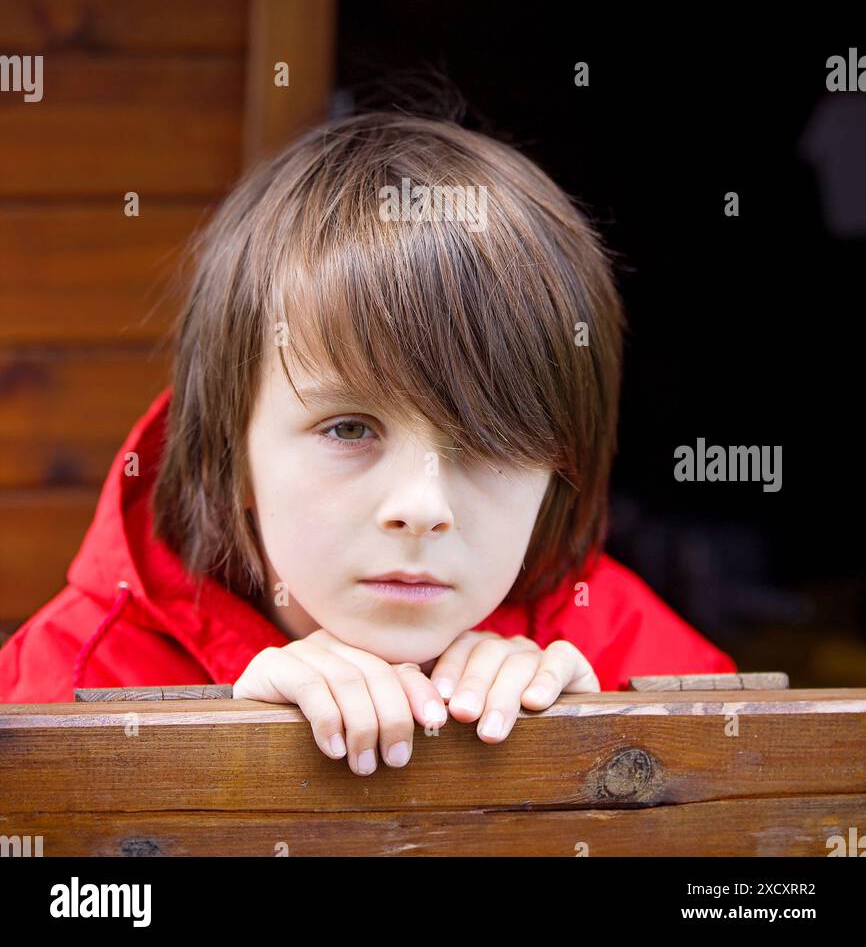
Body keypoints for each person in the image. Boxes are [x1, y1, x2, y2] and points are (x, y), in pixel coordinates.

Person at [0, 107, 736, 775]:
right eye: (348, 428)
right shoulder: (68, 684)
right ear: (231, 455)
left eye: (488, 440)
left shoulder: (622, 649)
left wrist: (603, 744)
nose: (420, 508)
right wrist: (222, 744)